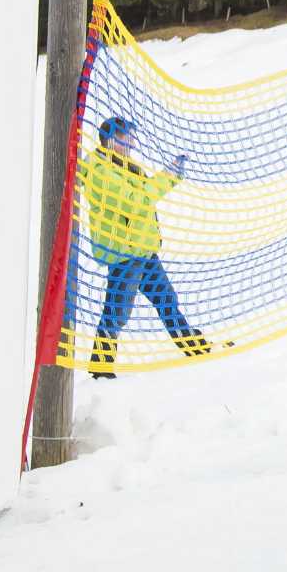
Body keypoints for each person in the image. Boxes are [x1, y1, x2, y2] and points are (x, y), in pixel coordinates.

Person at [80, 115, 211, 377]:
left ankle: (190, 344)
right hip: (125, 253)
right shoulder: (99, 170)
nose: (130, 142)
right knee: (117, 312)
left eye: (131, 136)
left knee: (167, 300)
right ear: (110, 141)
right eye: (124, 137)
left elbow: (146, 193)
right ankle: (100, 366)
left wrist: (171, 173)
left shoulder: (126, 166)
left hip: (143, 249)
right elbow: (138, 202)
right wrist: (168, 176)